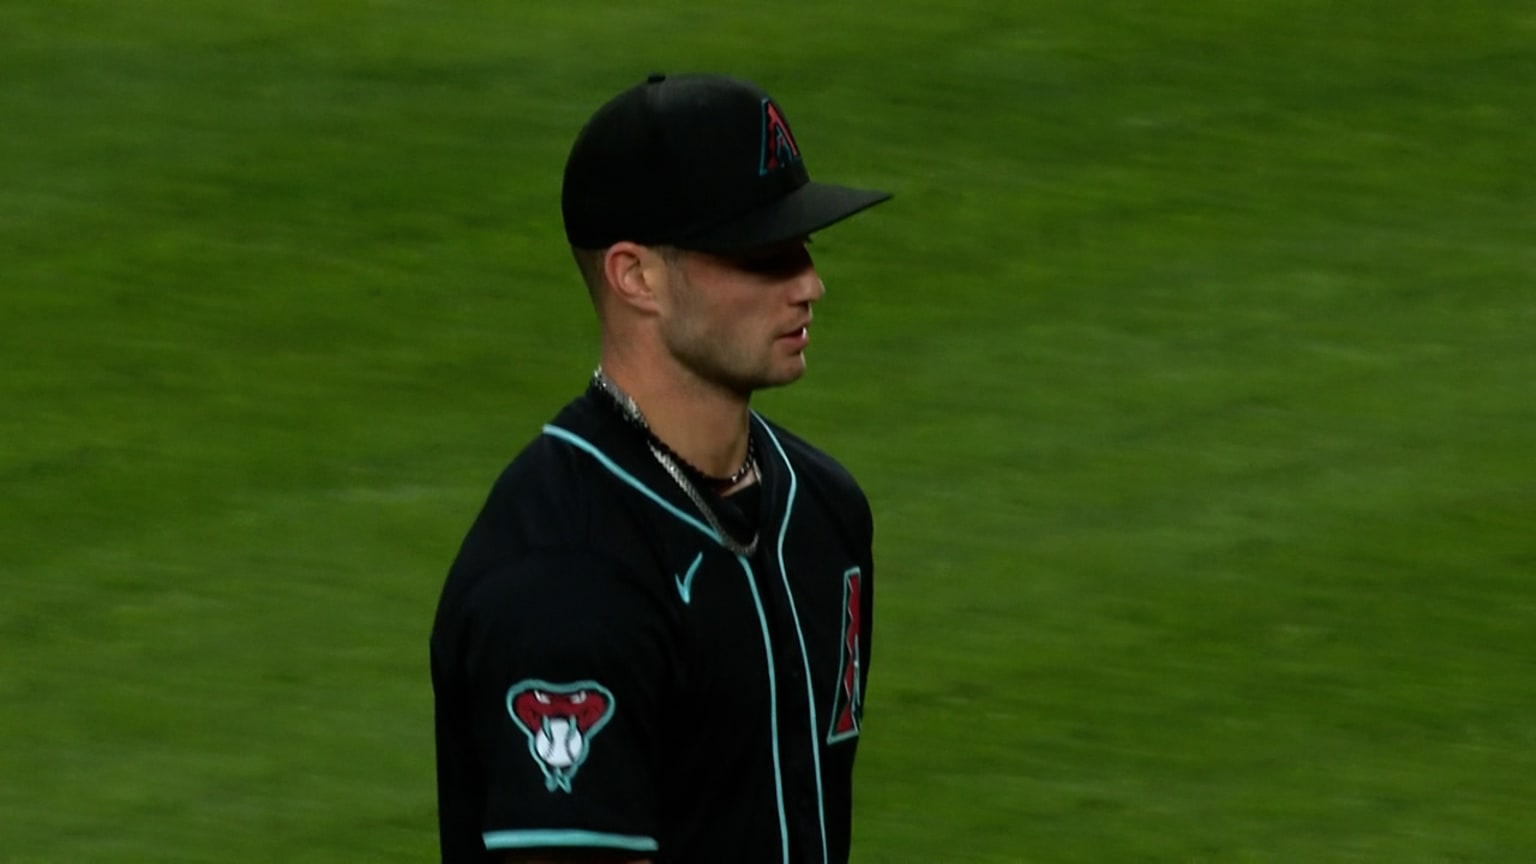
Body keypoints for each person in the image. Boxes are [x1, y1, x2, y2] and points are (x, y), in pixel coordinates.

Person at [430, 72, 891, 864]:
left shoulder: (824, 512)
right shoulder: (564, 577)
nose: (809, 284)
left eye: (805, 247)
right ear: (635, 276)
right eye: (762, 256)